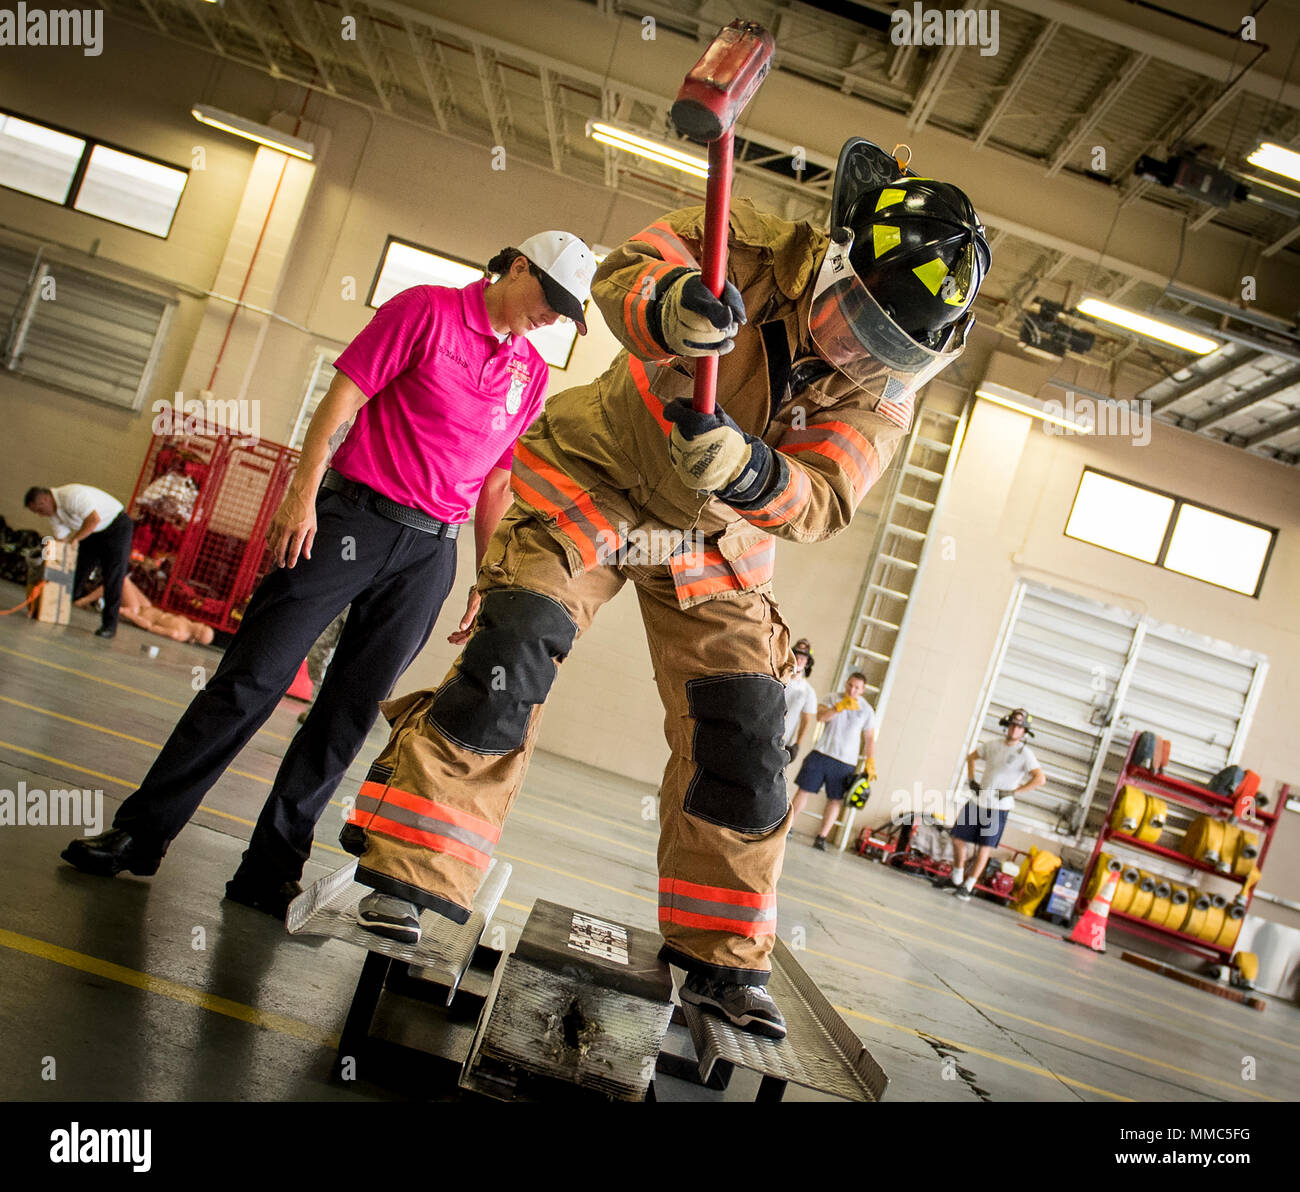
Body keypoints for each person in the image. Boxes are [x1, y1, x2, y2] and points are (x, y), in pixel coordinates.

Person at [340, 137, 989, 1039]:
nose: (852, 348)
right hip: (595, 482)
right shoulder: (746, 250)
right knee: (511, 654)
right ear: (837, 259)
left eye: (882, 344)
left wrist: (754, 472)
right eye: (852, 316)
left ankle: (720, 960)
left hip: (713, 540)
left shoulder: (884, 385)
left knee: (747, 731)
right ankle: (412, 873)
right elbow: (625, 274)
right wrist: (674, 309)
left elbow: (824, 496)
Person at [60, 230, 596, 921]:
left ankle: (269, 869)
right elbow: (341, 399)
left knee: (346, 713)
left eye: (566, 312)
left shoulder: (531, 373)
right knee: (250, 680)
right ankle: (141, 834)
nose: (552, 317)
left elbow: (496, 484)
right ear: (516, 266)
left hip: (430, 554)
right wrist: (301, 494)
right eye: (548, 298)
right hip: (351, 523)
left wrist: (489, 580)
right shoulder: (424, 311)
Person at [947, 707, 1046, 901]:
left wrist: (1014, 791)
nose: (1014, 729)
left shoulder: (1025, 753)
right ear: (1006, 725)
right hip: (978, 800)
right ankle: (956, 878)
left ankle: (968, 887)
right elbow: (971, 757)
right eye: (1012, 725)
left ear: (1024, 731)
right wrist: (971, 779)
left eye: (1019, 727)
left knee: (985, 847)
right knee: (958, 838)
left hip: (998, 807)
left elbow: (1040, 779)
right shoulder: (993, 745)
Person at [25, 483, 134, 639]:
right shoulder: (53, 515)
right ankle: (51, 610)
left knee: (113, 576)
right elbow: (62, 542)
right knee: (75, 572)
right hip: (93, 532)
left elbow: (93, 520)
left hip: (116, 527)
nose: (41, 515)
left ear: (44, 500)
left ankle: (109, 626)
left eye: (39, 510)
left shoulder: (72, 495)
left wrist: (75, 540)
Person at [790, 671, 877, 851]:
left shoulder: (867, 710)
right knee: (803, 791)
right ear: (846, 684)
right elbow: (820, 717)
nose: (852, 690)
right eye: (850, 685)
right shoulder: (832, 698)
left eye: (857, 688)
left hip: (845, 762)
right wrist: (838, 707)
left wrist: (870, 762)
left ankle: (822, 837)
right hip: (821, 753)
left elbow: (869, 739)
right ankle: (788, 827)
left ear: (863, 690)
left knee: (835, 799)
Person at [74, 575, 215, 644]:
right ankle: (91, 597)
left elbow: (150, 627)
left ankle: (84, 600)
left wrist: (130, 615)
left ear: (197, 636)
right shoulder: (187, 622)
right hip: (147, 608)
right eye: (204, 626)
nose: (201, 625)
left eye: (202, 630)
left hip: (139, 612)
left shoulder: (177, 633)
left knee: (122, 582)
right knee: (124, 581)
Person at [782, 638, 818, 776]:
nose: (799, 659)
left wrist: (797, 744)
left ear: (808, 662)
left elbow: (806, 720)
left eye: (803, 657)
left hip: (783, 740)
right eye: (796, 655)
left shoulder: (808, 692)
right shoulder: (777, 678)